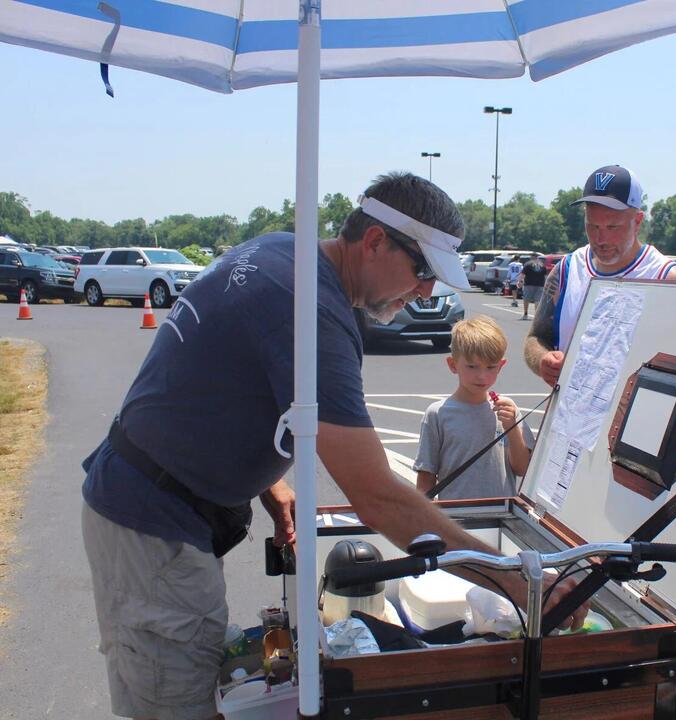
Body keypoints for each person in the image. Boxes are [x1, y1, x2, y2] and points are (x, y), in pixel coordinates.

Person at [80, 172, 587, 720]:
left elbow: (210, 378)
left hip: (158, 501)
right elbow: (377, 496)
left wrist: (267, 479)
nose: (424, 291)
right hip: (153, 524)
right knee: (177, 706)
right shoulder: (311, 311)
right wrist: (514, 577)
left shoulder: (282, 251)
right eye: (421, 271)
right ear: (374, 242)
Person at [524, 165, 676, 385]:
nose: (601, 238)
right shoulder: (567, 269)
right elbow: (535, 338)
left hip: (632, 418)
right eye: (592, 226)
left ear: (637, 221)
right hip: (568, 416)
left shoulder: (668, 280)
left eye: (612, 227)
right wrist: (543, 360)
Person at [415, 316, 534, 499]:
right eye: (472, 366)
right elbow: (426, 479)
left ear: (501, 366)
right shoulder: (437, 414)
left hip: (500, 515)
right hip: (456, 518)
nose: (481, 376)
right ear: (453, 365)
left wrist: (512, 428)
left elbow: (522, 469)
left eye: (490, 367)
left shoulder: (508, 410)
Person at [519, 254, 547, 319]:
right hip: (540, 284)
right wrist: (545, 284)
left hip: (529, 284)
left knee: (526, 299)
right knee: (538, 300)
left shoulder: (527, 264)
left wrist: (520, 282)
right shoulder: (542, 265)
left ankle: (525, 314)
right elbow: (545, 276)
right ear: (537, 258)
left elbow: (523, 274)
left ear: (531, 258)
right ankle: (536, 316)